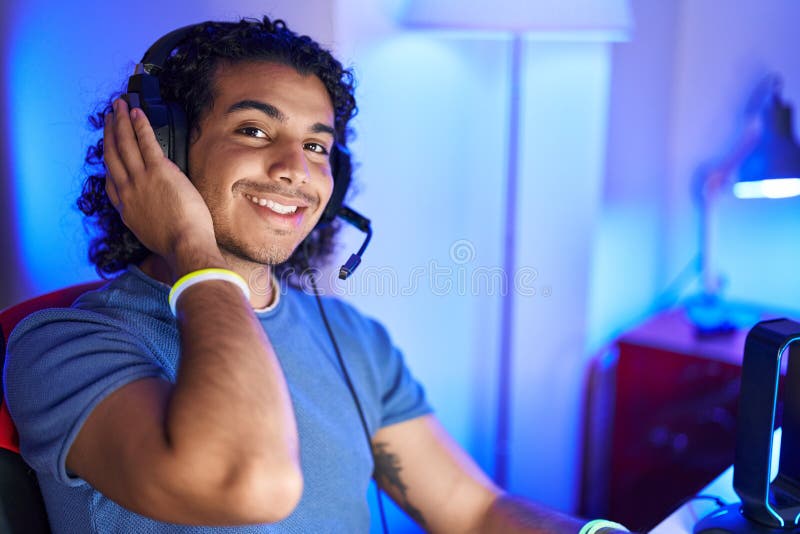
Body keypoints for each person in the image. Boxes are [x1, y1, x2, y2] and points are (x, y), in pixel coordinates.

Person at [4, 17, 628, 533]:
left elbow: (473, 510)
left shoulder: (352, 337)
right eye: (254, 130)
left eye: (316, 146)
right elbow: (250, 483)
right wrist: (192, 244)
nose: (295, 170)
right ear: (163, 152)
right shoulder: (62, 345)